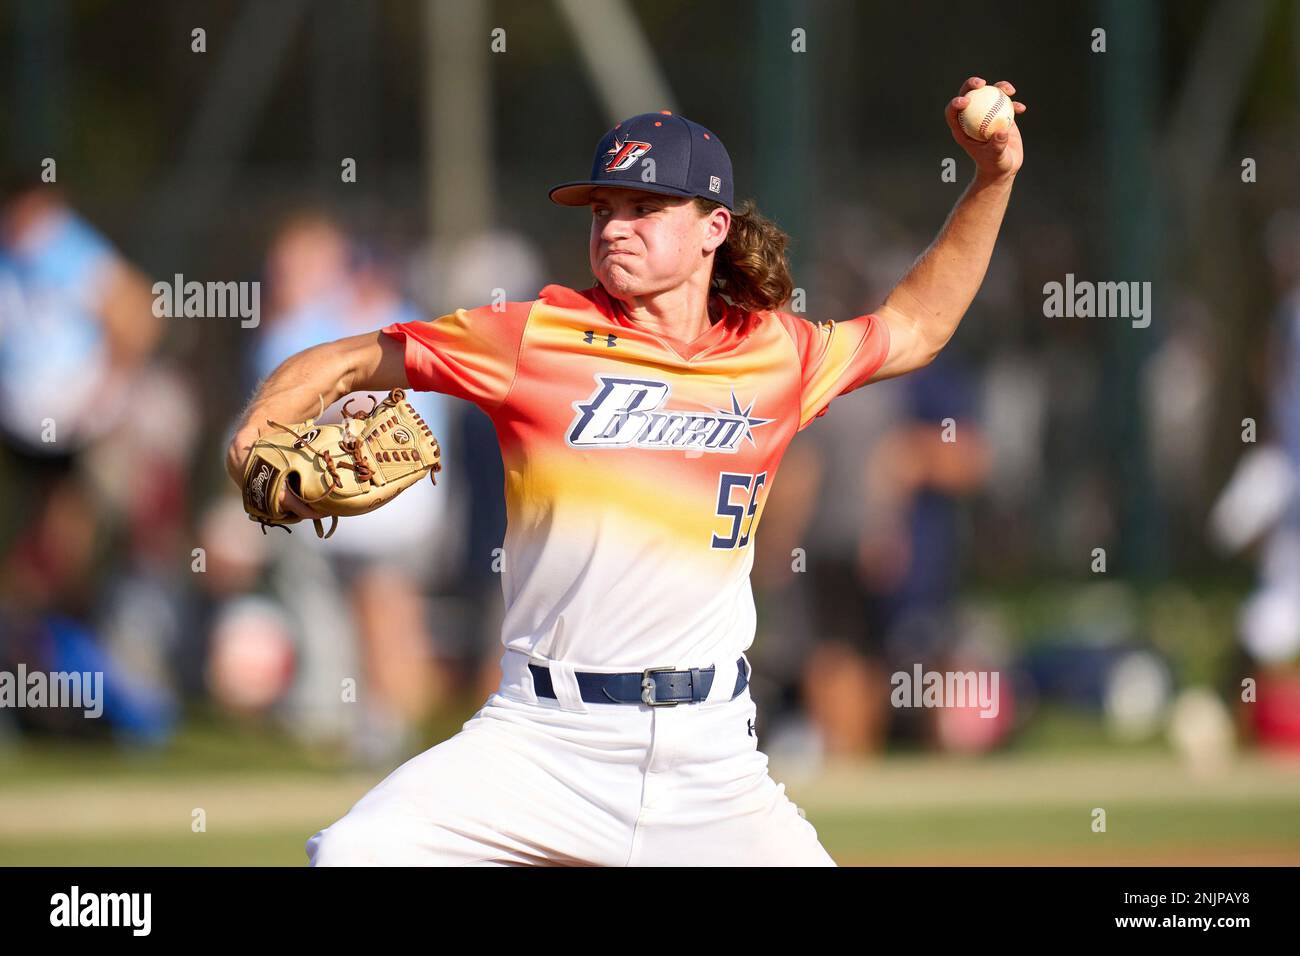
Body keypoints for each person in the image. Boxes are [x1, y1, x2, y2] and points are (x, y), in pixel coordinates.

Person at [225, 77, 1027, 866]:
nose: (615, 227)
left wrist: (993, 178)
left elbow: (916, 325)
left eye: (646, 208)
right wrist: (258, 428)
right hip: (542, 742)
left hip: (712, 758)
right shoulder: (534, 337)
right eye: (605, 209)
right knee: (359, 854)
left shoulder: (778, 353)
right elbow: (350, 358)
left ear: (713, 228)